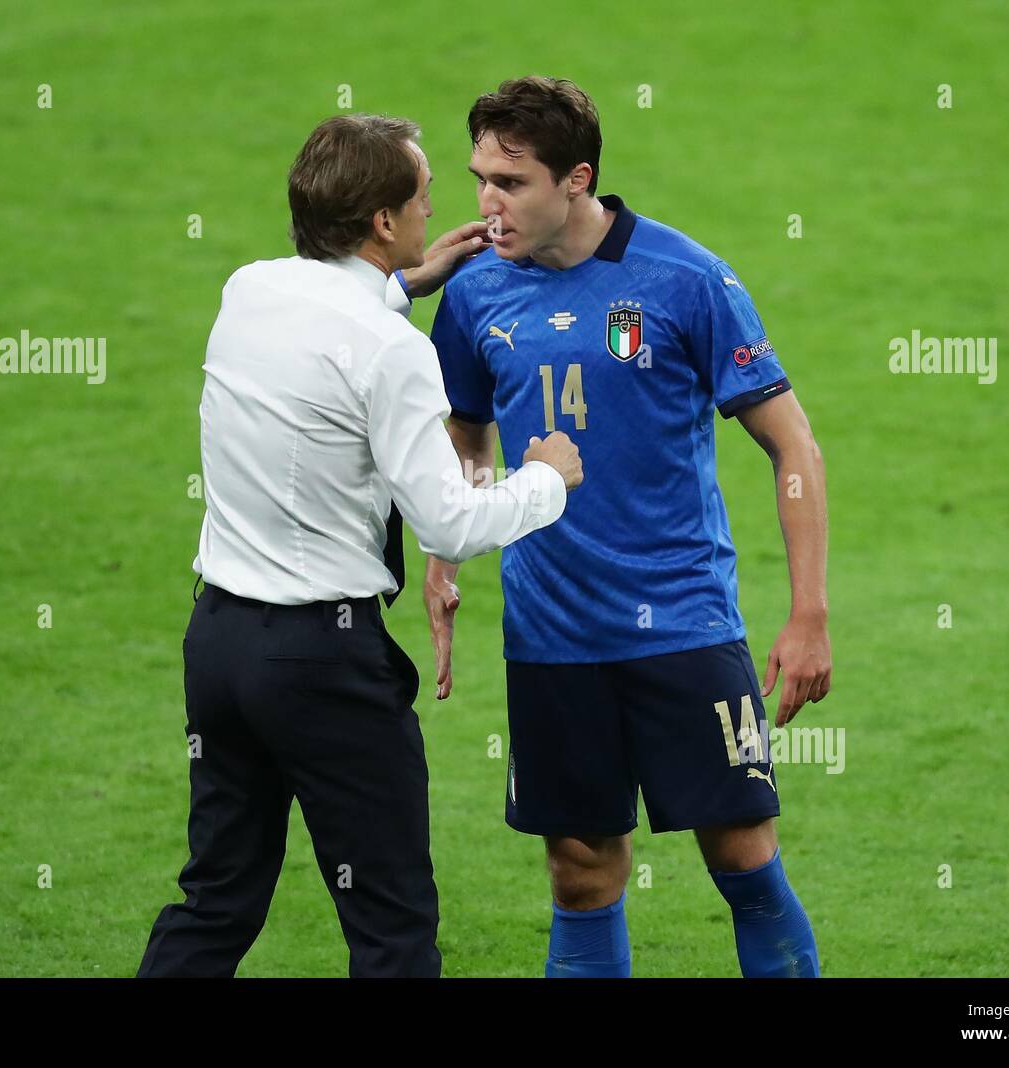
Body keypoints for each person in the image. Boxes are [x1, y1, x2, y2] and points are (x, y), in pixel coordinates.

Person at [137, 113, 583, 978]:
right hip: (322, 666)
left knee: (218, 899)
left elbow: (332, 317)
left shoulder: (247, 291)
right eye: (423, 199)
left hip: (219, 646)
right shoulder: (393, 353)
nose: (441, 212)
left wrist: (409, 279)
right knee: (391, 926)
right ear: (382, 221)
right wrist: (546, 482)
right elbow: (449, 522)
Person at [424, 77, 828, 977]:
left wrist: (809, 614)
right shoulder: (474, 293)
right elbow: (466, 426)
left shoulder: (686, 279)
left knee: (742, 858)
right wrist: (445, 552)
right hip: (550, 637)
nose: (488, 203)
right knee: (579, 873)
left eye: (512, 182)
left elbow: (792, 442)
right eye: (479, 178)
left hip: (682, 624)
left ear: (578, 179)